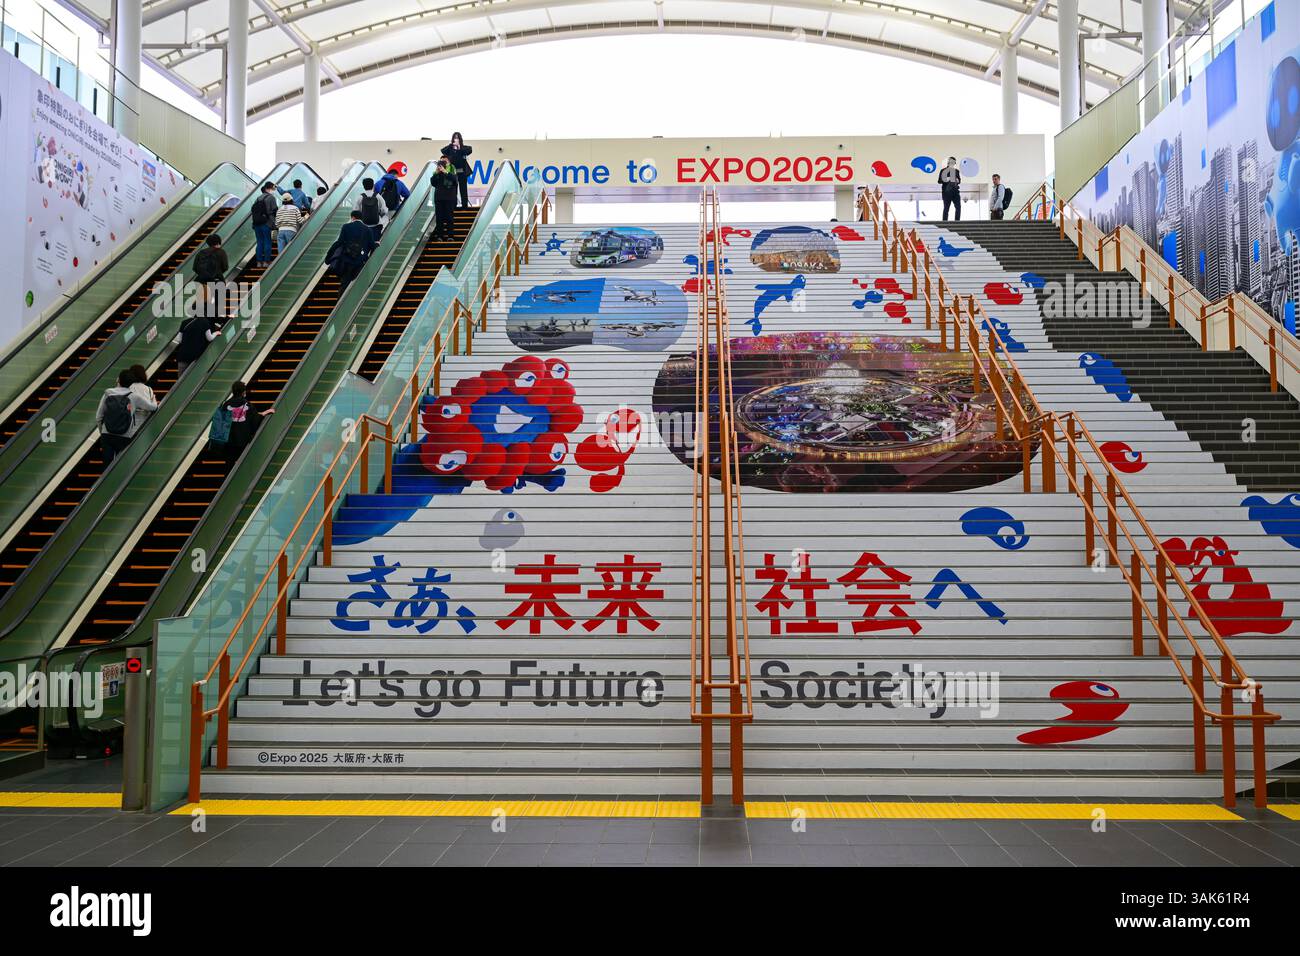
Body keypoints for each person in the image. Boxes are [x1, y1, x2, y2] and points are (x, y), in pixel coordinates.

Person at [96, 369, 158, 465]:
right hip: (124, 436)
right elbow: (153, 408)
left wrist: (102, 432)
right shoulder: (134, 397)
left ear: (118, 380)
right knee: (122, 464)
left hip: (107, 435)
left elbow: (99, 416)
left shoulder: (108, 393)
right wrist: (153, 399)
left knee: (107, 466)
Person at [210, 381, 274, 466]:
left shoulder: (226, 405)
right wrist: (263, 414)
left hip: (229, 443)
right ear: (243, 392)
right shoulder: (247, 404)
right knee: (243, 464)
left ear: (233, 391)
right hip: (242, 442)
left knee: (230, 465)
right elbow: (254, 419)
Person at [328, 210, 377, 292]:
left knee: (344, 283)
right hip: (360, 261)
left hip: (347, 260)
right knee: (358, 284)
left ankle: (341, 301)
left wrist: (329, 255)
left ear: (353, 217)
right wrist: (376, 244)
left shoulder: (346, 227)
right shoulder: (368, 230)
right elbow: (372, 246)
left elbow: (340, 242)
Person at [174, 305, 222, 376]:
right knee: (195, 376)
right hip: (196, 356)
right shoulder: (205, 322)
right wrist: (216, 333)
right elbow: (209, 338)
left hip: (183, 355)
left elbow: (178, 339)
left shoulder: (184, 322)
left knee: (181, 378)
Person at [193, 232, 229, 316]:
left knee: (202, 301)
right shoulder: (221, 252)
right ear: (219, 242)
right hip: (217, 281)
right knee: (218, 303)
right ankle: (214, 321)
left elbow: (195, 268)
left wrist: (205, 275)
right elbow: (225, 267)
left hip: (202, 282)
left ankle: (200, 319)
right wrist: (217, 273)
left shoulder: (201, 253)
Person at [440, 132, 473, 209]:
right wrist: (451, 145)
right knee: (453, 189)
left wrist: (459, 147)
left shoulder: (463, 148)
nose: (456, 139)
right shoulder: (450, 149)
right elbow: (443, 150)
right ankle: (453, 205)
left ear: (460, 139)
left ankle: (464, 206)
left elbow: (469, 150)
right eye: (455, 138)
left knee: (463, 189)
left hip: (462, 172)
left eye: (457, 138)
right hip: (453, 172)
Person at [431, 157, 459, 241]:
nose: (443, 163)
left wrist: (445, 171)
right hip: (439, 198)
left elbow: (455, 180)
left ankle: (450, 236)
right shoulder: (437, 172)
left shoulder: (452, 169)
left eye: (445, 161)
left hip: (449, 198)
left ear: (448, 162)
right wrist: (436, 173)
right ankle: (440, 236)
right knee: (439, 218)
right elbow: (433, 183)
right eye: (441, 161)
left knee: (449, 217)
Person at [250, 181, 278, 264]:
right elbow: (275, 211)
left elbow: (254, 211)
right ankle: (266, 261)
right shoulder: (271, 198)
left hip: (256, 224)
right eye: (273, 188)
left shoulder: (258, 198)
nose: (273, 190)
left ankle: (259, 262)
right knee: (267, 241)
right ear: (268, 188)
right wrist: (275, 223)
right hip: (266, 223)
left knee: (259, 242)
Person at [353, 177, 388, 243]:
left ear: (364, 186)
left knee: (364, 244)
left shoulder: (360, 197)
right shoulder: (378, 196)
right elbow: (384, 210)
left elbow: (355, 211)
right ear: (373, 186)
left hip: (363, 225)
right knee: (375, 244)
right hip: (377, 225)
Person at [127, 364, 157, 430]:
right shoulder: (149, 389)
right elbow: (152, 405)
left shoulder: (129, 388)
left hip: (131, 424)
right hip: (146, 423)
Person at [938, 157, 962, 221]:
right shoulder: (943, 170)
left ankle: (957, 221)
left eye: (954, 162)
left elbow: (959, 180)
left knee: (958, 207)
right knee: (946, 208)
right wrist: (946, 179)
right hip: (946, 192)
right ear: (948, 162)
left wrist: (957, 180)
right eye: (951, 161)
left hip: (955, 191)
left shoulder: (956, 171)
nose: (952, 163)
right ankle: (944, 222)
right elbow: (939, 181)